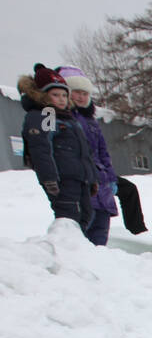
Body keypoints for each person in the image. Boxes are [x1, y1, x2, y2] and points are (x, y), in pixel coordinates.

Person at [18, 64, 96, 230]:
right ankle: (65, 249)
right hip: (62, 179)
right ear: (43, 96)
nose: (61, 99)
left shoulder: (69, 119)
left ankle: (78, 250)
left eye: (64, 95)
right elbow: (41, 149)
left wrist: (92, 178)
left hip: (80, 179)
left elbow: (86, 152)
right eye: (55, 95)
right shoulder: (47, 114)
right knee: (69, 218)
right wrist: (49, 178)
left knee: (86, 215)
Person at [59, 66, 117, 245]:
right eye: (76, 92)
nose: (81, 97)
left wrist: (110, 177)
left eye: (85, 93)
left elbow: (103, 153)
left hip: (102, 185)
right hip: (79, 182)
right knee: (79, 237)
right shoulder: (59, 117)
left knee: (100, 236)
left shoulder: (92, 121)